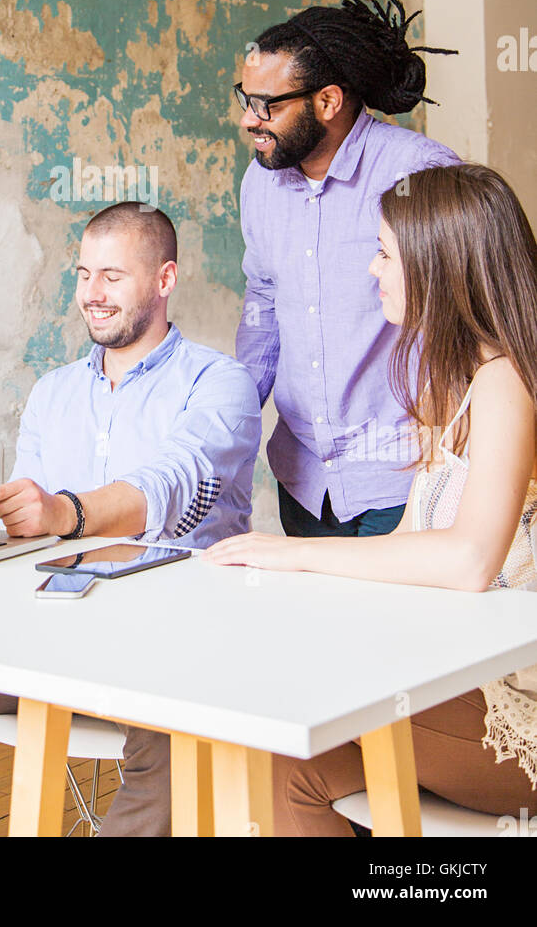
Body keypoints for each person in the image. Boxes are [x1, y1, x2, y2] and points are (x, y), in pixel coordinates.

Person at [0, 201, 261, 837]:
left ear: (164, 280)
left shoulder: (219, 383)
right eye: (83, 274)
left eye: (112, 276)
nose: (91, 294)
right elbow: (27, 539)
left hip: (170, 633)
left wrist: (65, 511)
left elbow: (170, 482)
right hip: (45, 625)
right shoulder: (53, 393)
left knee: (180, 734)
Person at [207, 163, 537, 833]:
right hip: (464, 682)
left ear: (440, 267)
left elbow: (470, 560)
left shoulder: (509, 380)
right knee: (284, 766)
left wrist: (293, 556)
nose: (373, 271)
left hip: (514, 706)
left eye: (385, 253)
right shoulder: (457, 388)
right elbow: (413, 550)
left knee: (284, 705)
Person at [234, 0, 459, 538]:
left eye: (268, 105)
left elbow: (467, 320)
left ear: (328, 101)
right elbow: (264, 302)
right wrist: (230, 416)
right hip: (304, 480)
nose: (248, 120)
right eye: (245, 97)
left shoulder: (419, 173)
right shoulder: (260, 185)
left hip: (401, 478)